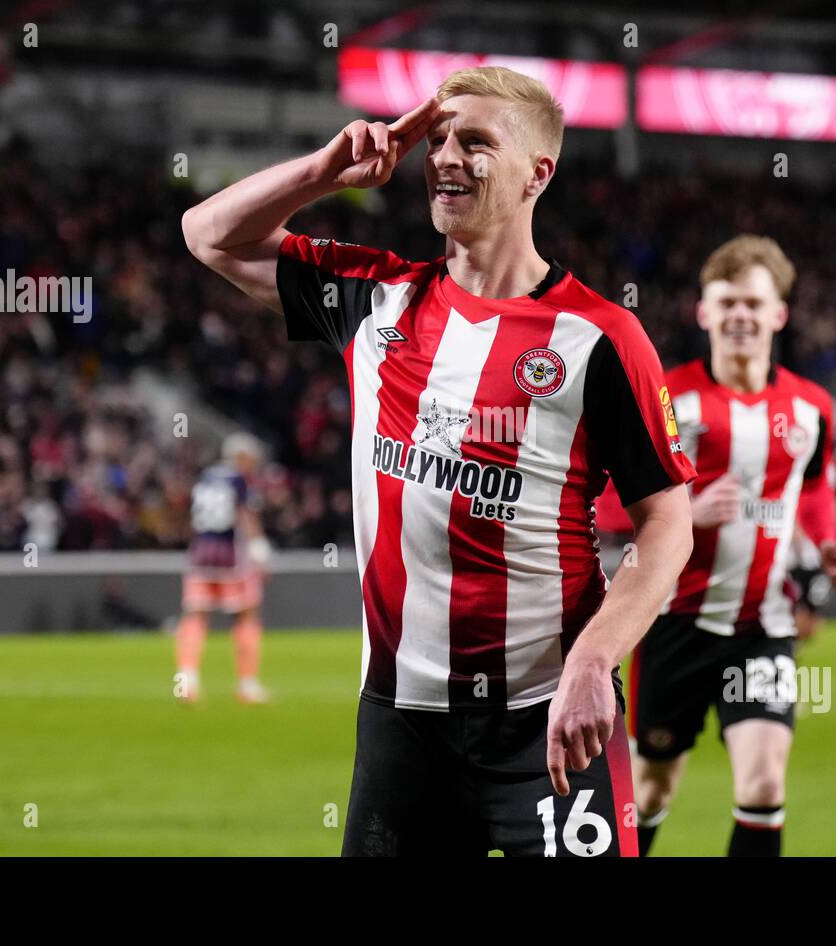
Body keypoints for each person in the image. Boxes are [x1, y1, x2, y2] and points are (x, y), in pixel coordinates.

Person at [181, 67, 695, 856]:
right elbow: (208, 234)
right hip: (401, 723)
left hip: (550, 718)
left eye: (476, 141)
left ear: (538, 173)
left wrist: (598, 657)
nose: (445, 155)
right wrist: (325, 172)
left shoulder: (601, 338)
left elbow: (668, 526)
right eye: (439, 138)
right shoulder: (375, 298)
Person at [603, 235, 836, 856]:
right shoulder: (668, 397)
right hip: (674, 624)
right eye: (727, 302)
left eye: (753, 302)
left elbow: (819, 484)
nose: (740, 315)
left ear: (778, 315)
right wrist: (686, 512)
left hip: (763, 625)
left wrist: (827, 544)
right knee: (653, 788)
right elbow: (608, 501)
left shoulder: (810, 407)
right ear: (704, 312)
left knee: (766, 781)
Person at [174, 433, 272, 705]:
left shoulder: (206, 477)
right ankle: (247, 684)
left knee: (195, 616)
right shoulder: (237, 479)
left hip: (201, 555)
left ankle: (187, 679)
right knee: (246, 616)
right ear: (241, 457)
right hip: (230, 556)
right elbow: (245, 516)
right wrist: (260, 552)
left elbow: (192, 518)